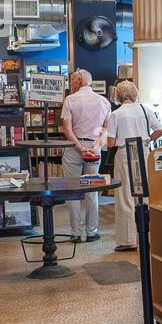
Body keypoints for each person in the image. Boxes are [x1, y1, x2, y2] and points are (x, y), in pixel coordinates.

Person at [99, 81, 162, 252]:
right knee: (145, 194)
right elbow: (161, 130)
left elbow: (112, 142)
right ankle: (150, 235)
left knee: (125, 196)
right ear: (135, 93)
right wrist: (148, 139)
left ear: (119, 95)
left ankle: (127, 240)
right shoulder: (145, 109)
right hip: (143, 151)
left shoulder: (116, 114)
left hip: (124, 153)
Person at [59, 69, 111, 242]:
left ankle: (76, 232)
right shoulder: (104, 101)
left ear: (79, 80)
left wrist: (81, 148)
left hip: (74, 147)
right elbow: (107, 128)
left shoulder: (70, 100)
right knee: (92, 191)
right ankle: (92, 231)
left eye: (73, 80)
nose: (71, 84)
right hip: (94, 149)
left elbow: (67, 129)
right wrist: (96, 147)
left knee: (73, 190)